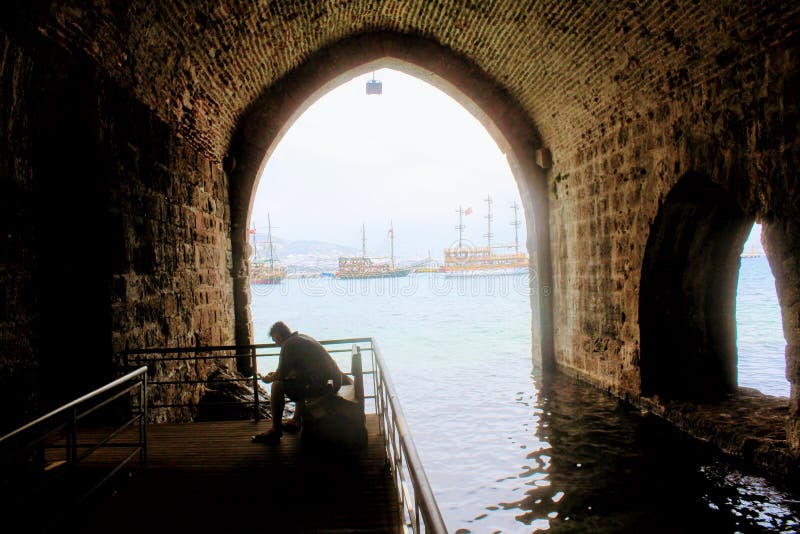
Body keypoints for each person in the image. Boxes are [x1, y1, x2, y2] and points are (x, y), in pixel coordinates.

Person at [252, 321, 344, 444]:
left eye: (275, 340)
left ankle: (275, 430)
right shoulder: (301, 338)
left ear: (278, 336)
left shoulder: (289, 345)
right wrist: (278, 374)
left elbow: (281, 375)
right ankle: (296, 420)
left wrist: (267, 379)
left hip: (326, 385)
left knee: (277, 386)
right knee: (298, 381)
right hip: (333, 380)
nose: (275, 344)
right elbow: (298, 370)